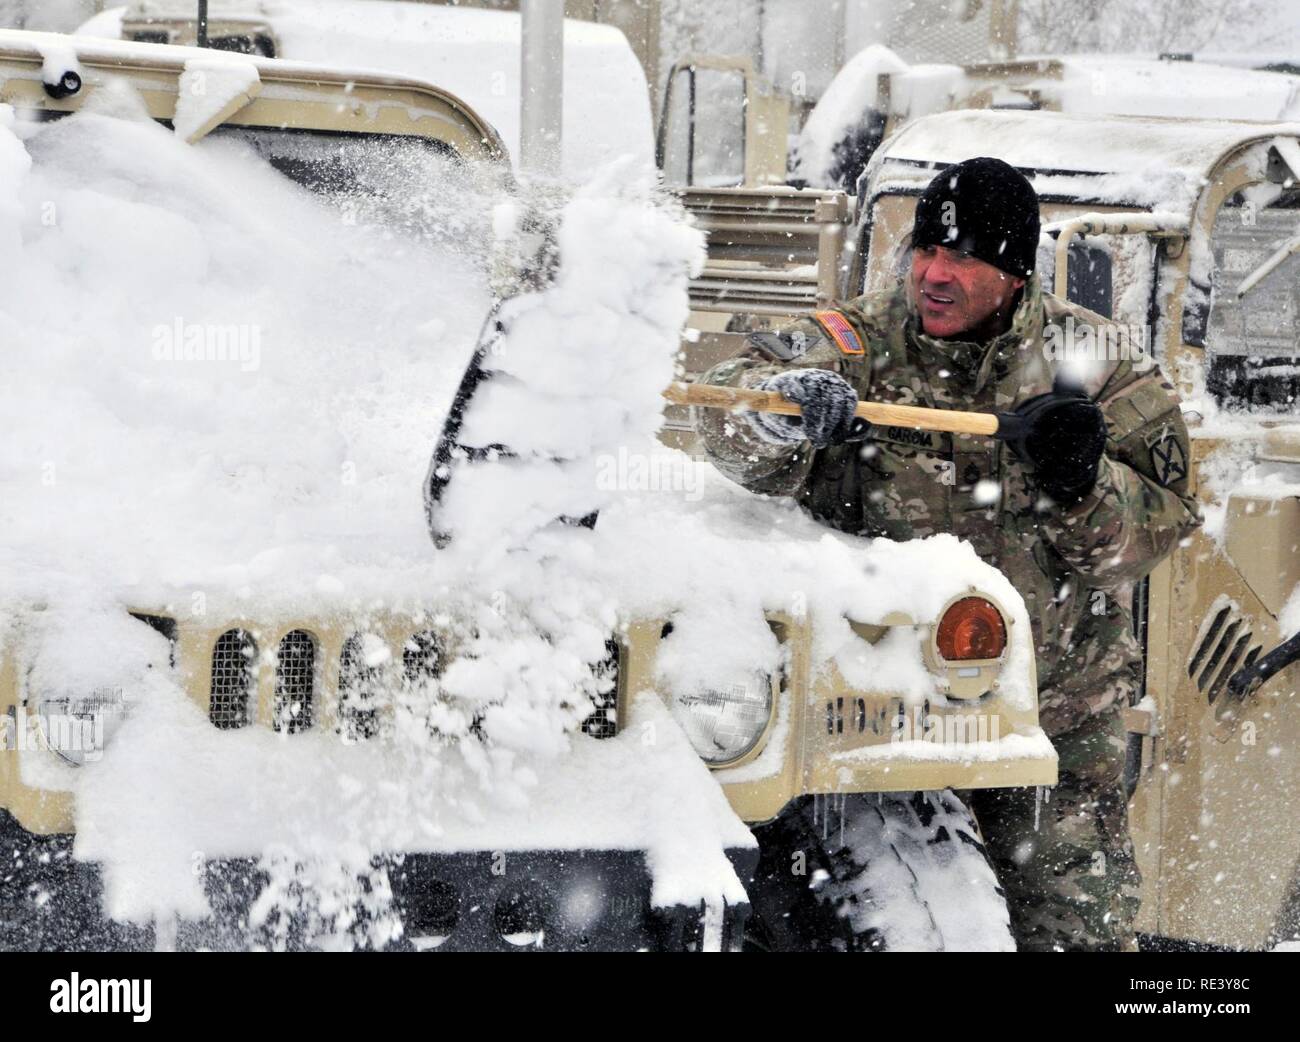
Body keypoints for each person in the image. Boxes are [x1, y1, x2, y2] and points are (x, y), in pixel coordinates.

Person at [696, 156, 1201, 951]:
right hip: (876, 721)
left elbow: (1157, 535)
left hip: (1048, 725)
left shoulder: (1098, 368)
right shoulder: (858, 343)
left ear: (1012, 274)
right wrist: (783, 413)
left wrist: (1082, 483)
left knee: (1071, 931)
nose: (932, 274)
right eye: (925, 251)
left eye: (961, 257)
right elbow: (728, 404)